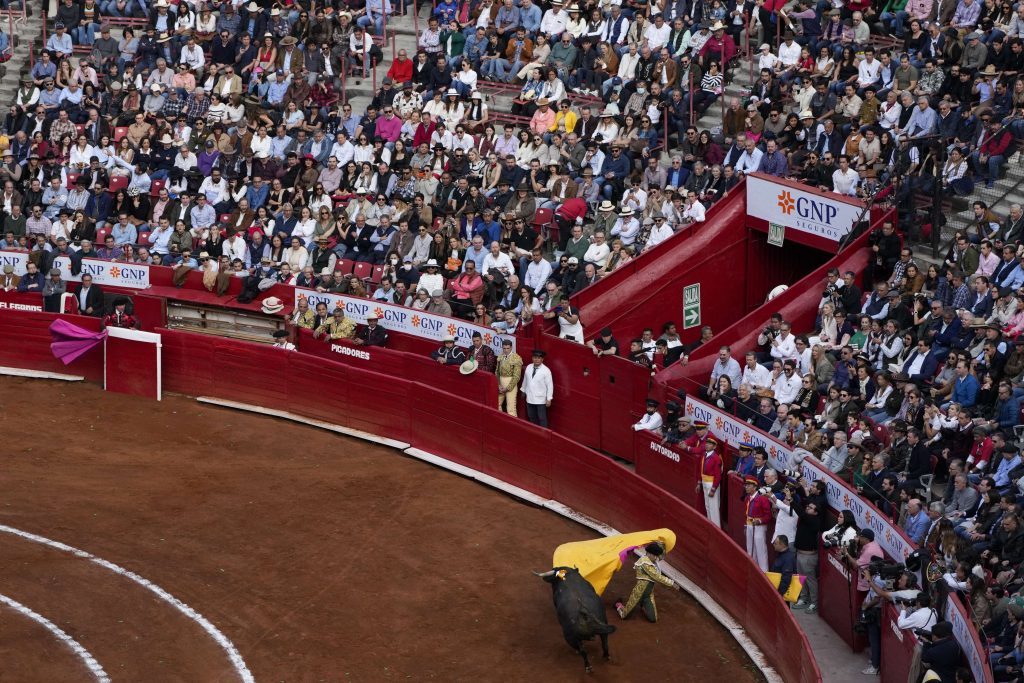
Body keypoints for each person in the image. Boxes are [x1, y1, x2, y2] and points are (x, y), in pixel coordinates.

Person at [614, 541, 680, 622]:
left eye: (656, 556)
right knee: (624, 615)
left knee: (653, 619)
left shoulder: (653, 561)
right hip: (638, 593)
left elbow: (661, 556)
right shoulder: (644, 562)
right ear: (649, 554)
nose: (656, 558)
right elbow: (657, 576)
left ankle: (643, 604)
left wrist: (661, 544)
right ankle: (618, 605)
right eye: (655, 556)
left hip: (648, 595)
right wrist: (672, 583)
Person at [744, 476, 772, 572]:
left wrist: (759, 521)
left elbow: (768, 516)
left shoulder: (762, 499)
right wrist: (745, 526)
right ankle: (752, 570)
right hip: (749, 525)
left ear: (755, 487)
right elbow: (746, 514)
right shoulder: (748, 498)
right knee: (750, 548)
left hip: (759, 526)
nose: (746, 487)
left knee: (760, 549)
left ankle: (764, 572)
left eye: (748, 485)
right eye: (746, 485)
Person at [521, 348, 553, 428]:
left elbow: (550, 385)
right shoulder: (529, 367)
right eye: (535, 357)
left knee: (542, 418)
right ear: (532, 358)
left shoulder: (546, 370)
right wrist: (523, 390)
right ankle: (535, 432)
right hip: (530, 397)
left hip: (540, 399)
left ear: (542, 359)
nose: (536, 359)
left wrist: (549, 398)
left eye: (539, 358)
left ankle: (544, 433)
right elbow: (525, 379)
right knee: (531, 416)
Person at [695, 435, 723, 528]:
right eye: (707, 443)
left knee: (713, 507)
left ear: (714, 447)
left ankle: (716, 528)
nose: (707, 445)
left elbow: (718, 475)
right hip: (704, 481)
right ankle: (711, 526)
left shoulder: (716, 458)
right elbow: (701, 469)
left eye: (710, 444)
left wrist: (713, 488)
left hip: (711, 483)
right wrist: (699, 483)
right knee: (707, 505)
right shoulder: (704, 454)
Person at [496, 339, 523, 416]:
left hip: (511, 382)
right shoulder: (500, 356)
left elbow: (517, 376)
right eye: (504, 348)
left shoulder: (516, 358)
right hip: (501, 382)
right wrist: (498, 385)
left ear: (511, 348)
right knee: (496, 404)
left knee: (511, 408)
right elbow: (497, 372)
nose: (506, 350)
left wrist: (508, 387)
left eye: (508, 348)